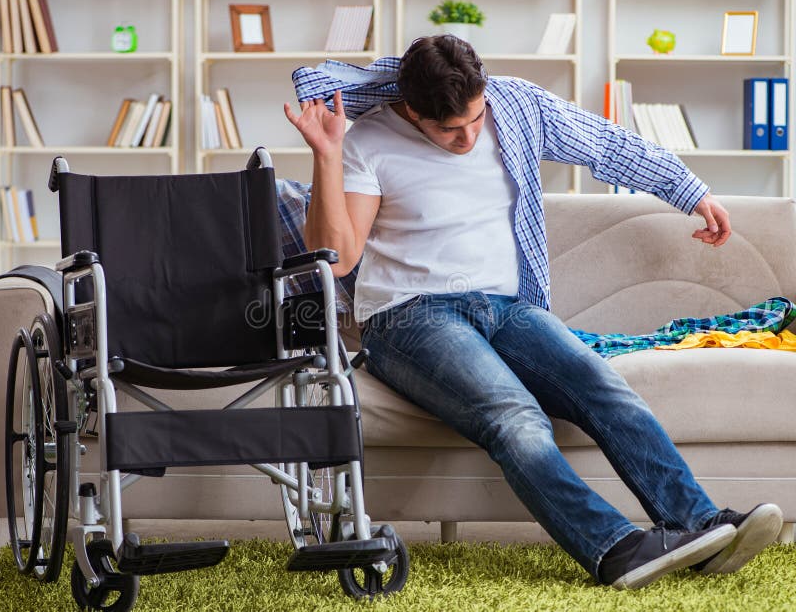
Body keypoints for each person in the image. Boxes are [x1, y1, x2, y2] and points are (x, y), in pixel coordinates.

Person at [284, 35, 783, 589]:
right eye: (448, 129)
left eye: (474, 119)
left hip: (510, 307)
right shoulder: (370, 140)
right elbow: (338, 254)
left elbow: (606, 145)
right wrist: (326, 155)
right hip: (410, 318)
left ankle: (703, 528)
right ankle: (616, 549)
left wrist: (690, 191)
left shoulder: (515, 106)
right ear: (413, 110)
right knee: (515, 419)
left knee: (606, 389)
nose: (468, 137)